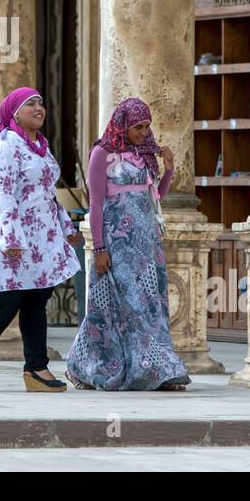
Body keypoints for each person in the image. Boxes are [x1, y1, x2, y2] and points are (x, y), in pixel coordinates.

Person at [0, 87, 81, 393]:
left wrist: (65, 226)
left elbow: (46, 194)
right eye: (30, 104)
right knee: (6, 299)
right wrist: (12, 237)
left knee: (37, 299)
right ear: (13, 112)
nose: (39, 108)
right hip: (13, 233)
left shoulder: (40, 146)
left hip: (42, 236)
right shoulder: (5, 145)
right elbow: (3, 194)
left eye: (40, 102)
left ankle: (36, 368)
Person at [64, 97, 191, 391]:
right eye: (137, 126)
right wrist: (98, 248)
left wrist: (168, 170)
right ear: (123, 124)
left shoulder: (145, 153)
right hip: (116, 243)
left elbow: (154, 196)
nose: (143, 132)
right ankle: (88, 365)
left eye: (147, 126)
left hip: (147, 243)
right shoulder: (103, 153)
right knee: (111, 305)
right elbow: (95, 203)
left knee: (149, 306)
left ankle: (157, 369)